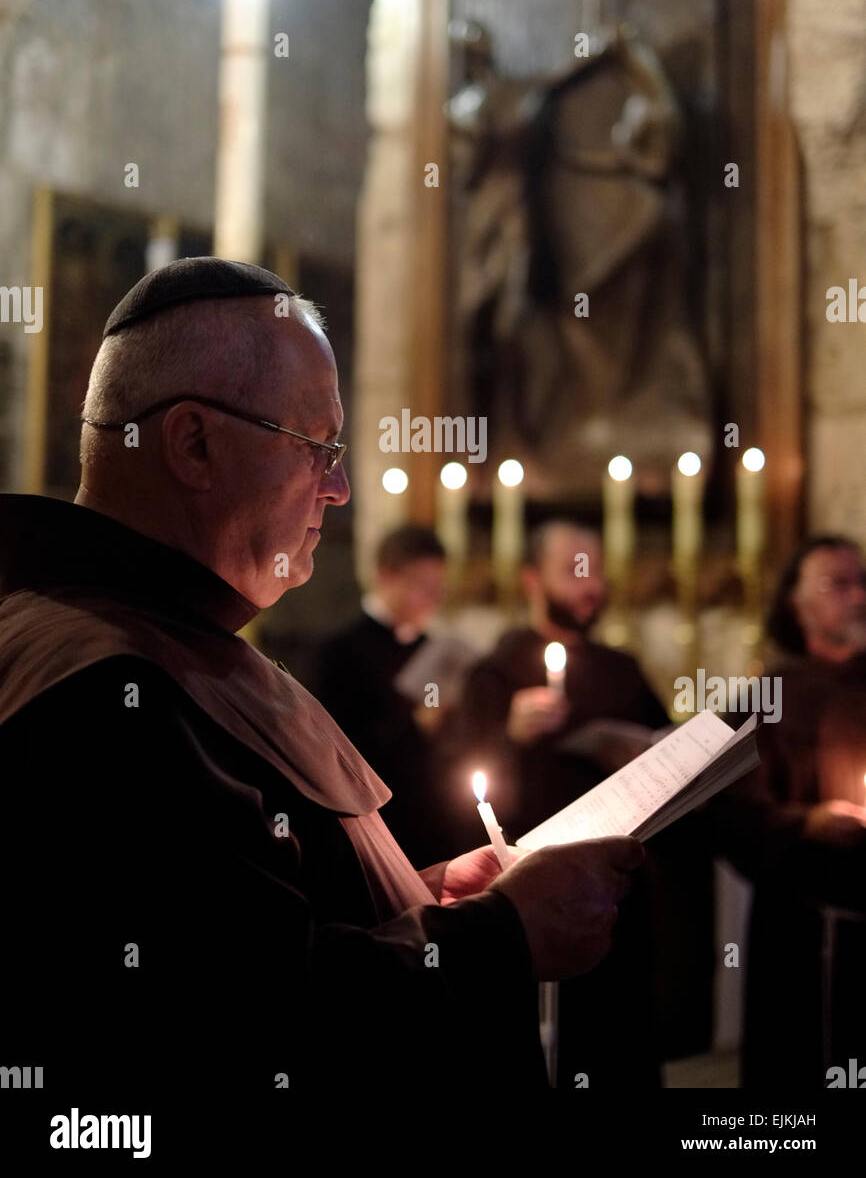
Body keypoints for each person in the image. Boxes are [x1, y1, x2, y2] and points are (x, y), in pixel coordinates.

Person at [0, 258, 646, 1136]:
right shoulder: (107, 686)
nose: (337, 489)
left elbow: (248, 924)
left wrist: (417, 898)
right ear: (193, 443)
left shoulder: (155, 635)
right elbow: (233, 1037)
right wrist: (502, 938)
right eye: (319, 447)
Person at [446, 519, 672, 1090]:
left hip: (619, 892)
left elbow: (666, 754)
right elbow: (455, 784)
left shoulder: (622, 670)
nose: (589, 583)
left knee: (618, 1050)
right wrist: (510, 735)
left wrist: (648, 752)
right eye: (574, 569)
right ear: (531, 580)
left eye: (595, 568)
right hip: (527, 892)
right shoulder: (494, 673)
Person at [710, 535, 866, 1087]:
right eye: (836, 584)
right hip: (795, 921)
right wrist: (807, 823)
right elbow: (728, 809)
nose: (856, 596)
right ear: (796, 605)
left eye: (860, 582)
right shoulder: (765, 696)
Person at [314, 524, 456, 865]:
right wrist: (414, 724)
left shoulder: (433, 647)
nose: (432, 598)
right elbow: (338, 751)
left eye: (439, 587)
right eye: (423, 586)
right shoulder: (341, 651)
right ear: (385, 576)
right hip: (377, 824)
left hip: (435, 818)